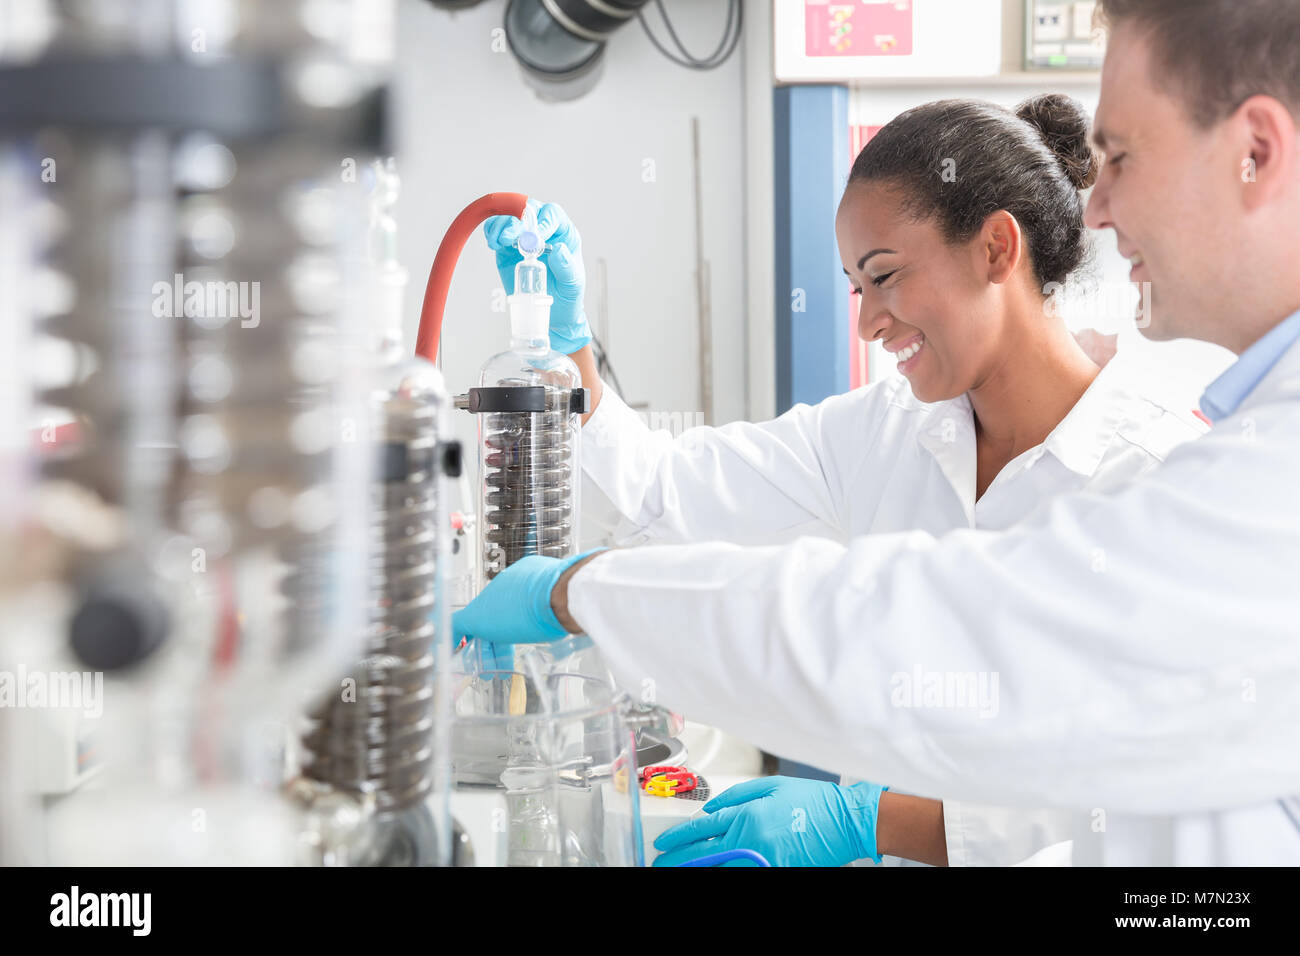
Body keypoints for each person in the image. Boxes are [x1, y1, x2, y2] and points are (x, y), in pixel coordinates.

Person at [455, 0, 1300, 866]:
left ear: (996, 251)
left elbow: (1072, 778)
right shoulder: (895, 426)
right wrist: (572, 358)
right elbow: (671, 490)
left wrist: (581, 594)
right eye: (856, 287)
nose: (866, 324)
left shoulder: (1167, 469)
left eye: (885, 277)